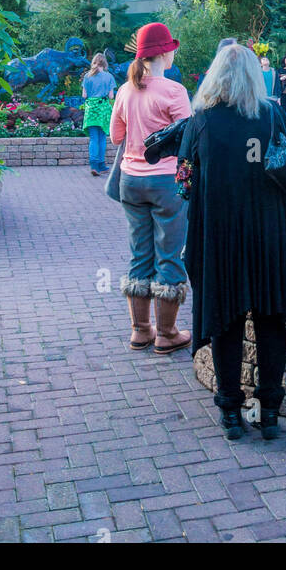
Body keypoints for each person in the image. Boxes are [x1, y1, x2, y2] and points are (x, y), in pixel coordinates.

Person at [178, 43, 286, 441]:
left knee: (227, 319)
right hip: (270, 235)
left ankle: (230, 414)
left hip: (221, 236)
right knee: (272, 318)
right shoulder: (271, 114)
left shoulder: (202, 118)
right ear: (256, 75)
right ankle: (269, 411)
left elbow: (184, 181)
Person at [110, 22, 191, 354]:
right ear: (163, 52)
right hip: (165, 182)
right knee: (169, 255)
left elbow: (116, 137)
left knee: (140, 253)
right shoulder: (174, 91)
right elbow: (189, 142)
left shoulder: (126, 90)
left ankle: (140, 330)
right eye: (171, 48)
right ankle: (167, 333)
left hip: (130, 181)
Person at [82, 53, 116, 177]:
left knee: (93, 138)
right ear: (104, 63)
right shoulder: (109, 77)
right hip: (103, 110)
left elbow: (84, 96)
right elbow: (111, 96)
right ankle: (101, 165)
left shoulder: (87, 76)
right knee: (102, 138)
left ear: (94, 62)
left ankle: (94, 165)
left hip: (91, 109)